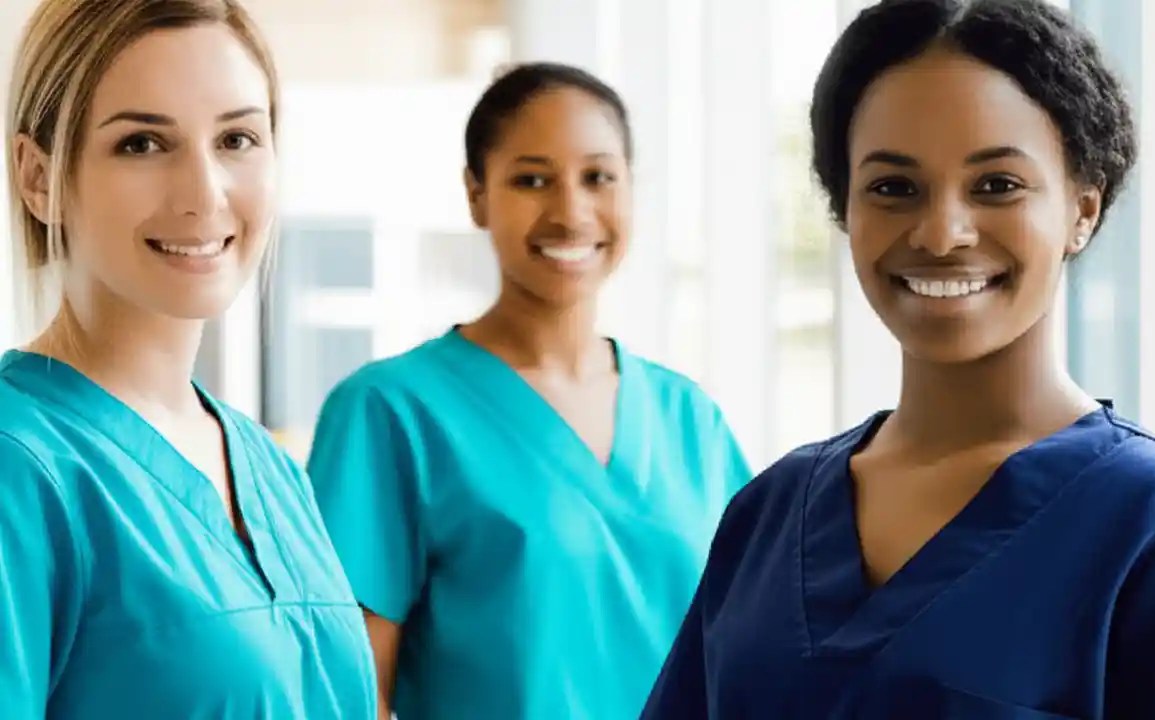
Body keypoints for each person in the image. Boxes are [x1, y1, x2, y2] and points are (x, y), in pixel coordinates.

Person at [641, 1, 1155, 718]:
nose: (942, 233)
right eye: (893, 188)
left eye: (997, 185)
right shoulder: (770, 515)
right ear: (844, 209)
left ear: (1082, 209)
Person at [306, 62, 753, 720]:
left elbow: (749, 649)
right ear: (477, 194)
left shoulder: (690, 416)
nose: (570, 211)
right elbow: (347, 691)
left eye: (598, 177)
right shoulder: (391, 412)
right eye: (532, 179)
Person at [0, 2, 377, 718]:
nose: (205, 194)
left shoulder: (268, 467)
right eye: (143, 143)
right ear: (39, 177)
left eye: (236, 138)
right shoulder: (19, 467)